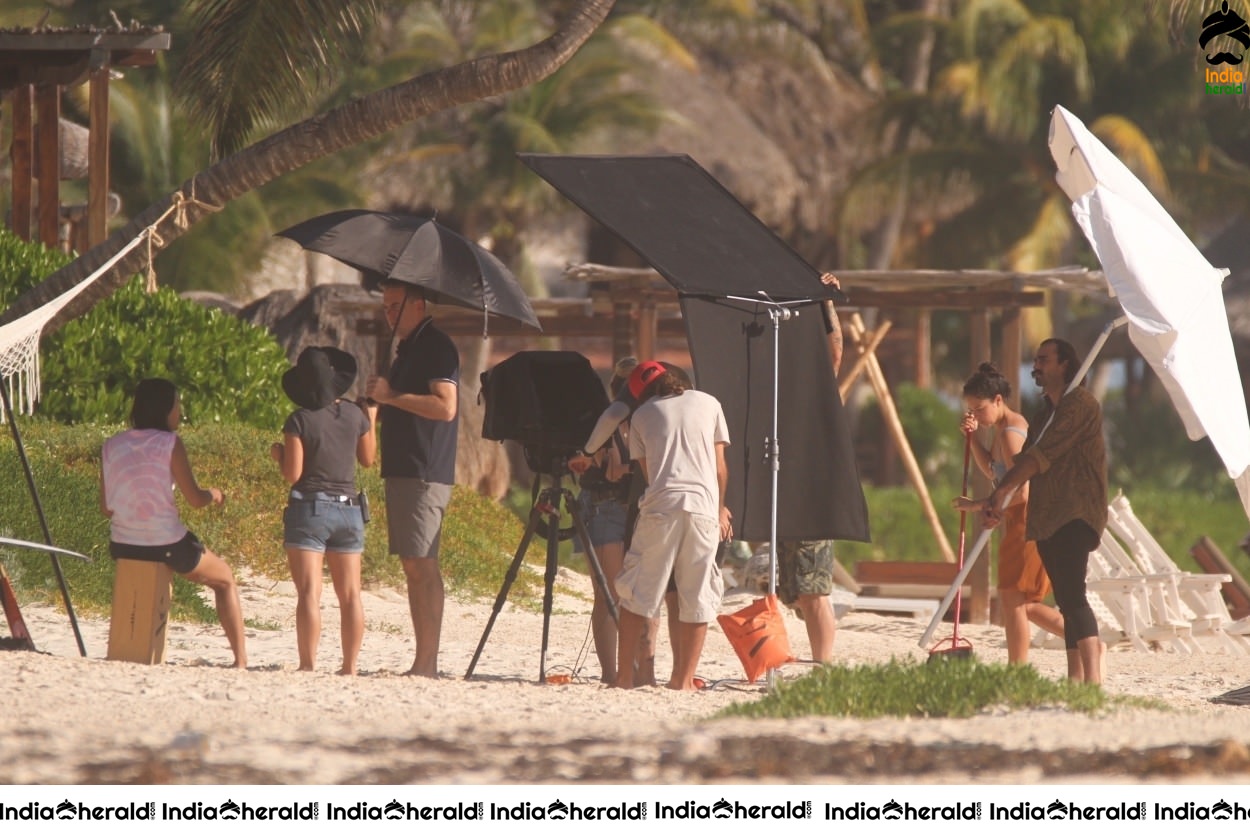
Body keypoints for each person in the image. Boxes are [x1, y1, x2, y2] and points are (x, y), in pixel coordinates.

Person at [982, 338, 1108, 684]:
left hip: (1077, 511)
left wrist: (1003, 491)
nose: (1036, 366)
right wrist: (992, 502)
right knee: (1066, 600)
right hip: (1047, 517)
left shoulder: (1080, 405)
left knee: (1073, 595)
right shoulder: (1043, 416)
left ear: (1065, 364)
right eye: (1035, 361)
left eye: (1044, 360)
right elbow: (1021, 462)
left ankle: (1093, 681)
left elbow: (1040, 458)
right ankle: (1074, 679)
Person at [100, 379, 247, 668]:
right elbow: (194, 499)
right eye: (177, 405)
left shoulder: (112, 444)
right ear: (165, 409)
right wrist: (214, 495)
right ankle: (241, 660)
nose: (180, 412)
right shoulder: (170, 443)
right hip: (164, 543)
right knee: (225, 579)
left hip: (121, 544)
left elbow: (106, 508)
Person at [613, 361, 732, 690]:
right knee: (696, 595)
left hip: (662, 507)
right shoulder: (710, 403)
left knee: (638, 592)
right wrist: (720, 509)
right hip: (705, 509)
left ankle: (624, 678)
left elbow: (650, 473)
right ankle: (681, 681)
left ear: (642, 394)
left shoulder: (640, 416)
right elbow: (720, 468)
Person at [364, 281, 459, 678]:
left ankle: (427, 662)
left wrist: (390, 397)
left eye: (395, 306)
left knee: (422, 563)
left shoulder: (436, 346)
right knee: (411, 563)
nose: (389, 314)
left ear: (418, 305)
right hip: (402, 465)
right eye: (385, 307)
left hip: (424, 467)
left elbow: (445, 407)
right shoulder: (407, 348)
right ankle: (423, 661)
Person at [270, 347, 376, 675]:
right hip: (349, 510)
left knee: (308, 593)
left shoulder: (299, 419)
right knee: (350, 596)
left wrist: (278, 454)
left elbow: (293, 473)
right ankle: (350, 666)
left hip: (310, 510)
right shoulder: (355, 416)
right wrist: (370, 419)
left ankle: (308, 663)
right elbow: (368, 460)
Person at [953, 362, 1065, 664]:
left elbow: (1022, 490)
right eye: (971, 411)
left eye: (979, 409)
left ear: (998, 400)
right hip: (1025, 522)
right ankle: (1086, 639)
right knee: (1023, 603)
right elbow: (992, 468)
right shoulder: (1002, 430)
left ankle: (1018, 670)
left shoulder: (1010, 434)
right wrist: (973, 437)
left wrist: (979, 505)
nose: (975, 415)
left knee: (1013, 599)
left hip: (1028, 523)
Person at [774, 271, 844, 663]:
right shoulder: (779, 394)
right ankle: (819, 659)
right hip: (788, 497)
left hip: (812, 501)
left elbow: (834, 352)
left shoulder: (818, 391)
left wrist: (824, 301)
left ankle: (824, 665)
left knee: (813, 589)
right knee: (798, 591)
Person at [569, 356, 638, 682]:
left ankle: (618, 671)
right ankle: (614, 673)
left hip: (616, 506)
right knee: (613, 594)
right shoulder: (612, 421)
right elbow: (612, 471)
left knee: (615, 594)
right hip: (605, 505)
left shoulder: (620, 419)